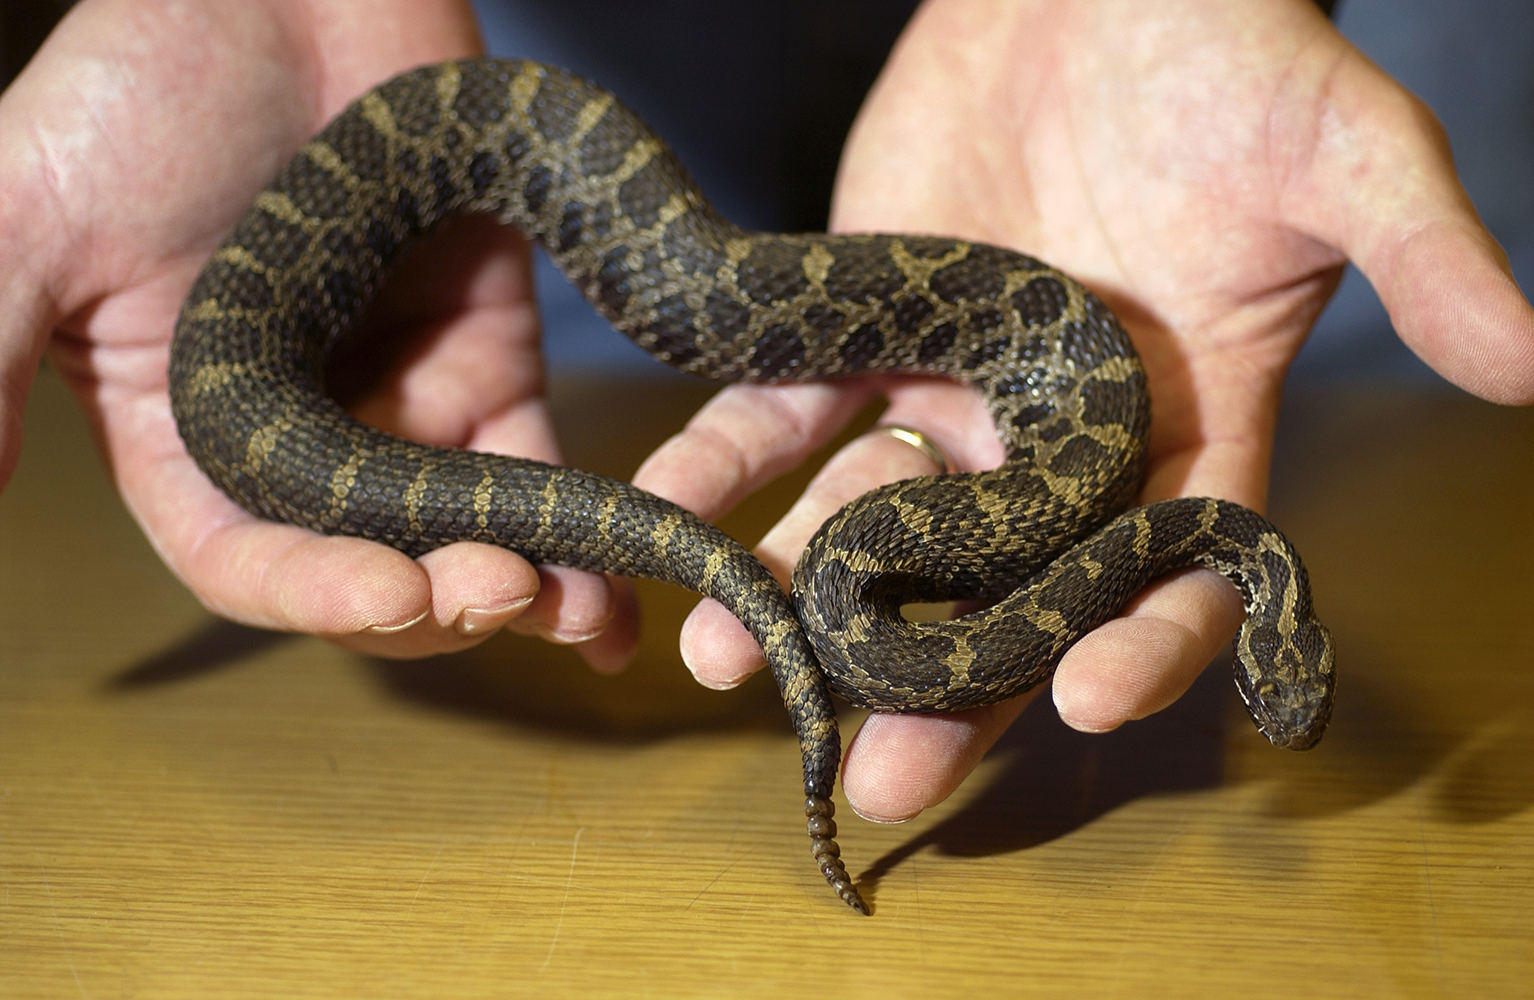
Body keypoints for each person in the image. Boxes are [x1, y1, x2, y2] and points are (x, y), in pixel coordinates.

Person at [1, 0, 1530, 827]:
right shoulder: (1154, 508)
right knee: (673, 300)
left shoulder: (1165, 492)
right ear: (1278, 621)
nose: (1268, 714)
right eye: (1276, 690)